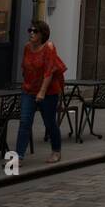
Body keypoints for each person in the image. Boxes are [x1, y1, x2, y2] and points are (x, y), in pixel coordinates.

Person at [15, 20, 65, 165]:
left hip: (48, 92)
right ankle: (18, 157)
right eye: (30, 30)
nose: (31, 33)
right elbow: (24, 67)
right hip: (28, 90)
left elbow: (49, 72)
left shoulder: (49, 47)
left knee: (49, 123)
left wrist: (42, 92)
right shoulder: (27, 47)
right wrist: (27, 83)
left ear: (42, 34)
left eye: (35, 31)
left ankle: (56, 151)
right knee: (24, 122)